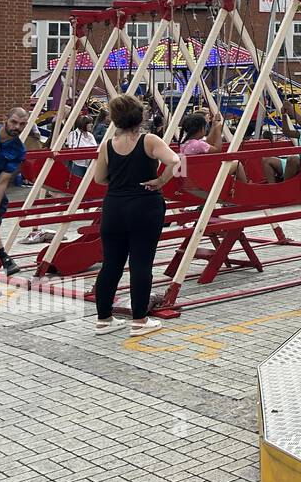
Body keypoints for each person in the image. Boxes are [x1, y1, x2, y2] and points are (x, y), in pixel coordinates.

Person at [90, 95, 180, 334]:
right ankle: (139, 320)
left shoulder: (107, 145)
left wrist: (120, 180)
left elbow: (99, 178)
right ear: (141, 117)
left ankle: (104, 319)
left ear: (115, 119)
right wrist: (160, 180)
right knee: (141, 263)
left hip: (114, 207)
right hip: (144, 205)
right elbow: (175, 160)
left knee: (111, 264)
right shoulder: (149, 140)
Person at [0, 106, 29, 296]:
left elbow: (2, 182)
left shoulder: (18, 150)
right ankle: (6, 258)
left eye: (22, 124)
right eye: (14, 122)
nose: (17, 127)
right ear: (5, 119)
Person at [177, 111, 248, 185]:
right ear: (200, 129)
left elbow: (207, 143)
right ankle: (245, 187)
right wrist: (218, 131)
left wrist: (214, 126)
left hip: (194, 173)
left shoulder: (185, 142)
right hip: (206, 174)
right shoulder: (198, 144)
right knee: (237, 164)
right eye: (205, 127)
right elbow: (217, 150)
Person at [66, 114, 97, 179]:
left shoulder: (90, 135)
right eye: (89, 123)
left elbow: (95, 148)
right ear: (83, 124)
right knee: (76, 182)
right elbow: (73, 148)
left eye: (92, 123)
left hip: (89, 165)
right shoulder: (73, 134)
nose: (92, 125)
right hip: (77, 164)